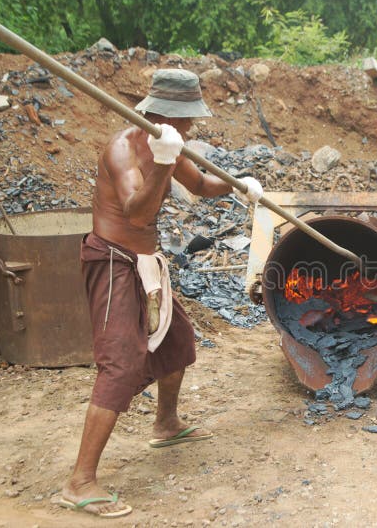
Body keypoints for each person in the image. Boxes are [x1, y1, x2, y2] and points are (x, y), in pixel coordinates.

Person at [60, 69, 263, 518]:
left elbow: (202, 185)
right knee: (120, 364)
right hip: (113, 262)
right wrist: (165, 160)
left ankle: (166, 423)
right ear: (164, 112)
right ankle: (80, 482)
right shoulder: (123, 149)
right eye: (186, 119)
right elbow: (136, 213)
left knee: (176, 343)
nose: (190, 128)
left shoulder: (168, 142)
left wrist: (238, 185)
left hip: (147, 263)